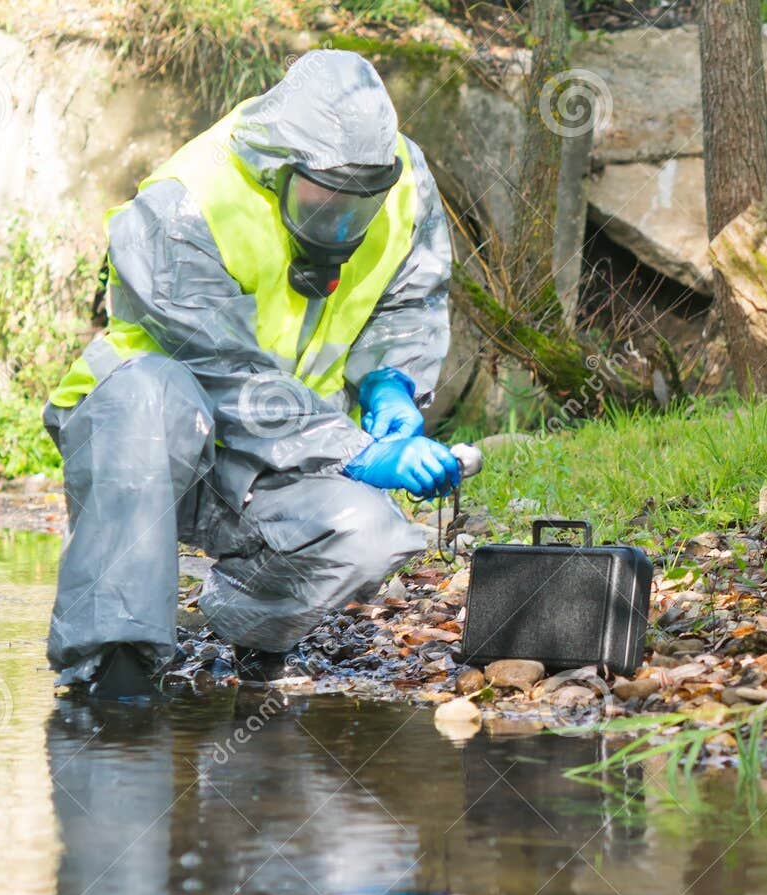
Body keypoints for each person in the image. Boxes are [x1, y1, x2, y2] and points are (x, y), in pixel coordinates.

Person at [44, 50, 472, 699]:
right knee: (146, 399)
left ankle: (245, 626)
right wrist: (358, 449)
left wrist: (391, 386)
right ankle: (114, 668)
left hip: (277, 458)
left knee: (371, 534)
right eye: (322, 200)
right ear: (280, 169)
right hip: (151, 441)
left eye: (359, 206)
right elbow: (225, 375)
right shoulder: (184, 205)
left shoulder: (404, 182)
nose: (341, 222)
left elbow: (411, 300)